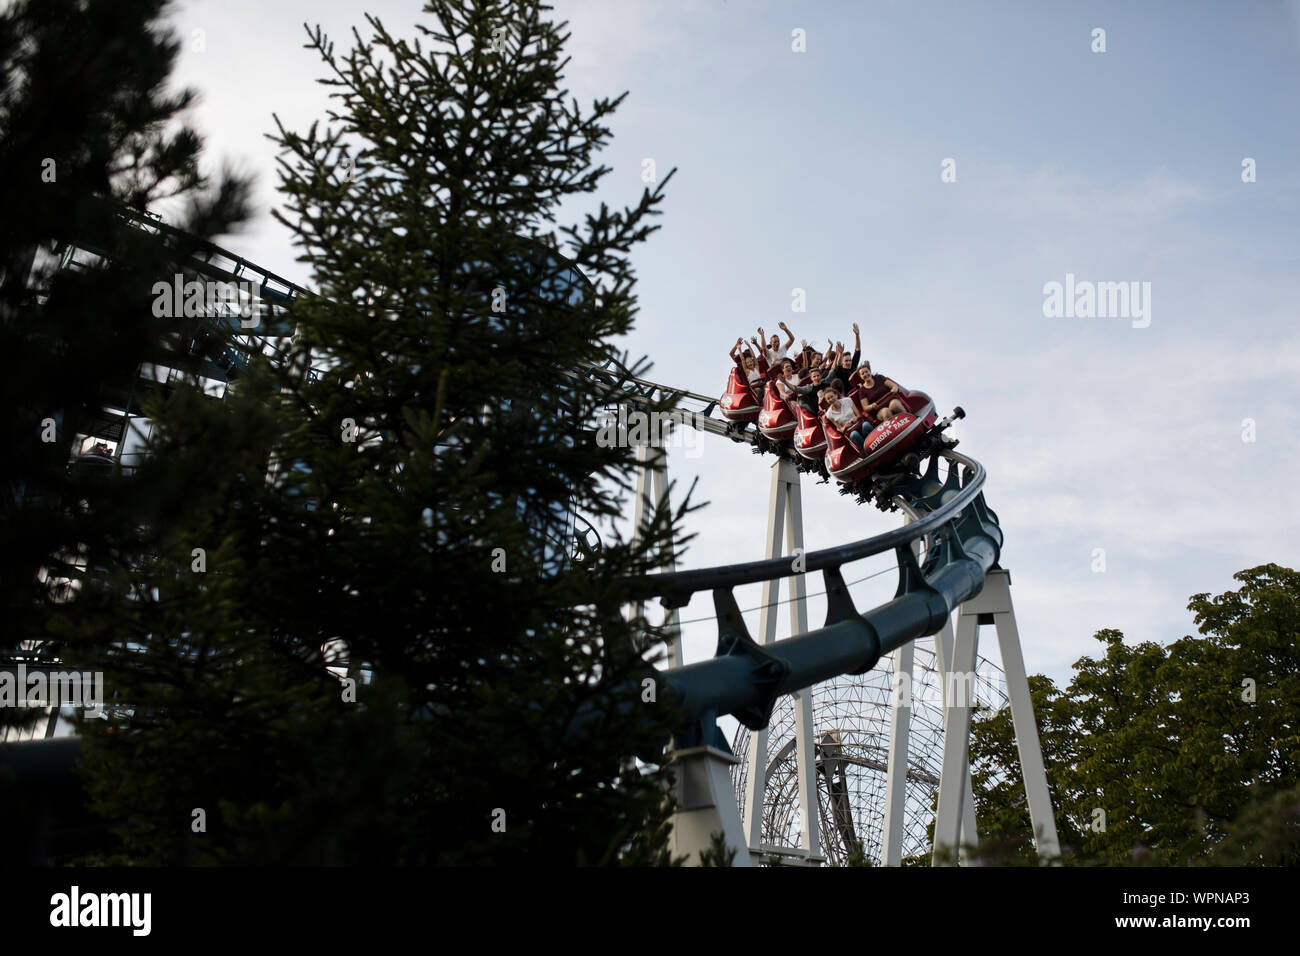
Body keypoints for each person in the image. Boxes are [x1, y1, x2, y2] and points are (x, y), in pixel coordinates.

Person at [826, 323, 862, 393]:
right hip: (846, 395)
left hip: (858, 391)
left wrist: (857, 335)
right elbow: (838, 363)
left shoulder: (853, 365)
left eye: (849, 360)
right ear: (843, 362)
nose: (848, 362)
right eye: (846, 361)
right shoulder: (840, 370)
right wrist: (840, 353)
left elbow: (857, 349)